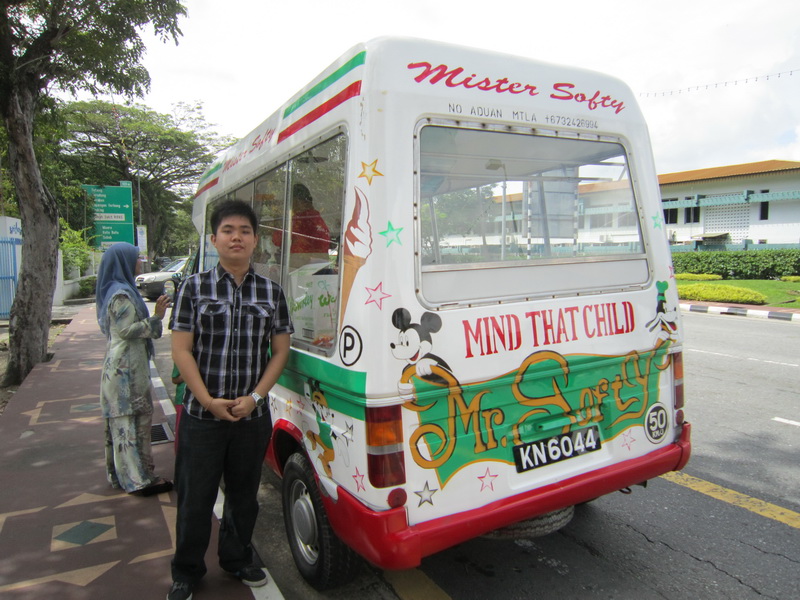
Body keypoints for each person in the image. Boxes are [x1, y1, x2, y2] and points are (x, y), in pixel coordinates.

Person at [167, 199, 294, 600]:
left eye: (244, 231)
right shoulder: (193, 287)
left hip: (250, 417)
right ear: (214, 239)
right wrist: (206, 400)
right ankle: (187, 571)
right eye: (228, 230)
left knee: (244, 495)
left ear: (256, 240)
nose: (236, 237)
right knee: (195, 497)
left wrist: (256, 398)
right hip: (202, 416)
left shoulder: (271, 292)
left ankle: (237, 559)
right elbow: (182, 350)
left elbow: (280, 352)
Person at [96, 242, 173, 496]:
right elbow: (126, 330)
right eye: (136, 258)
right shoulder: (122, 294)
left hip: (124, 366)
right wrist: (157, 317)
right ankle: (138, 480)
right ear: (124, 262)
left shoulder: (118, 290)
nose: (140, 262)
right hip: (124, 371)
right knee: (131, 422)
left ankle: (127, 475)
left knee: (127, 422)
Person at [272, 182, 330, 254]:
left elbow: (277, 240)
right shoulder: (319, 220)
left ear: (297, 201)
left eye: (291, 202)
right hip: (321, 263)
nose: (291, 207)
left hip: (303, 263)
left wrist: (276, 222)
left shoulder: (299, 220)